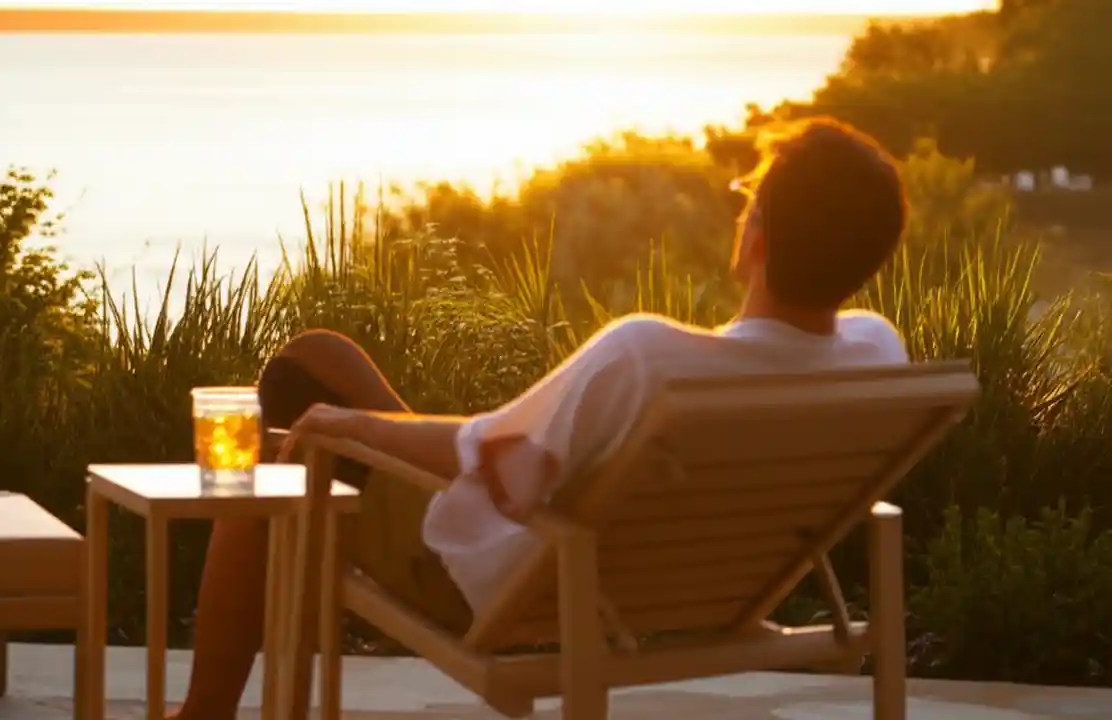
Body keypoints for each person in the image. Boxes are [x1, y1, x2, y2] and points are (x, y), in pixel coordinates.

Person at [169, 117, 911, 719]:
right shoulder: (877, 353)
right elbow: (514, 450)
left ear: (757, 240)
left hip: (499, 577)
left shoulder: (648, 358)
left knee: (281, 457)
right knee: (320, 356)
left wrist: (353, 429)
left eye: (749, 199)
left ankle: (202, 715)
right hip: (693, 579)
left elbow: (483, 461)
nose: (741, 208)